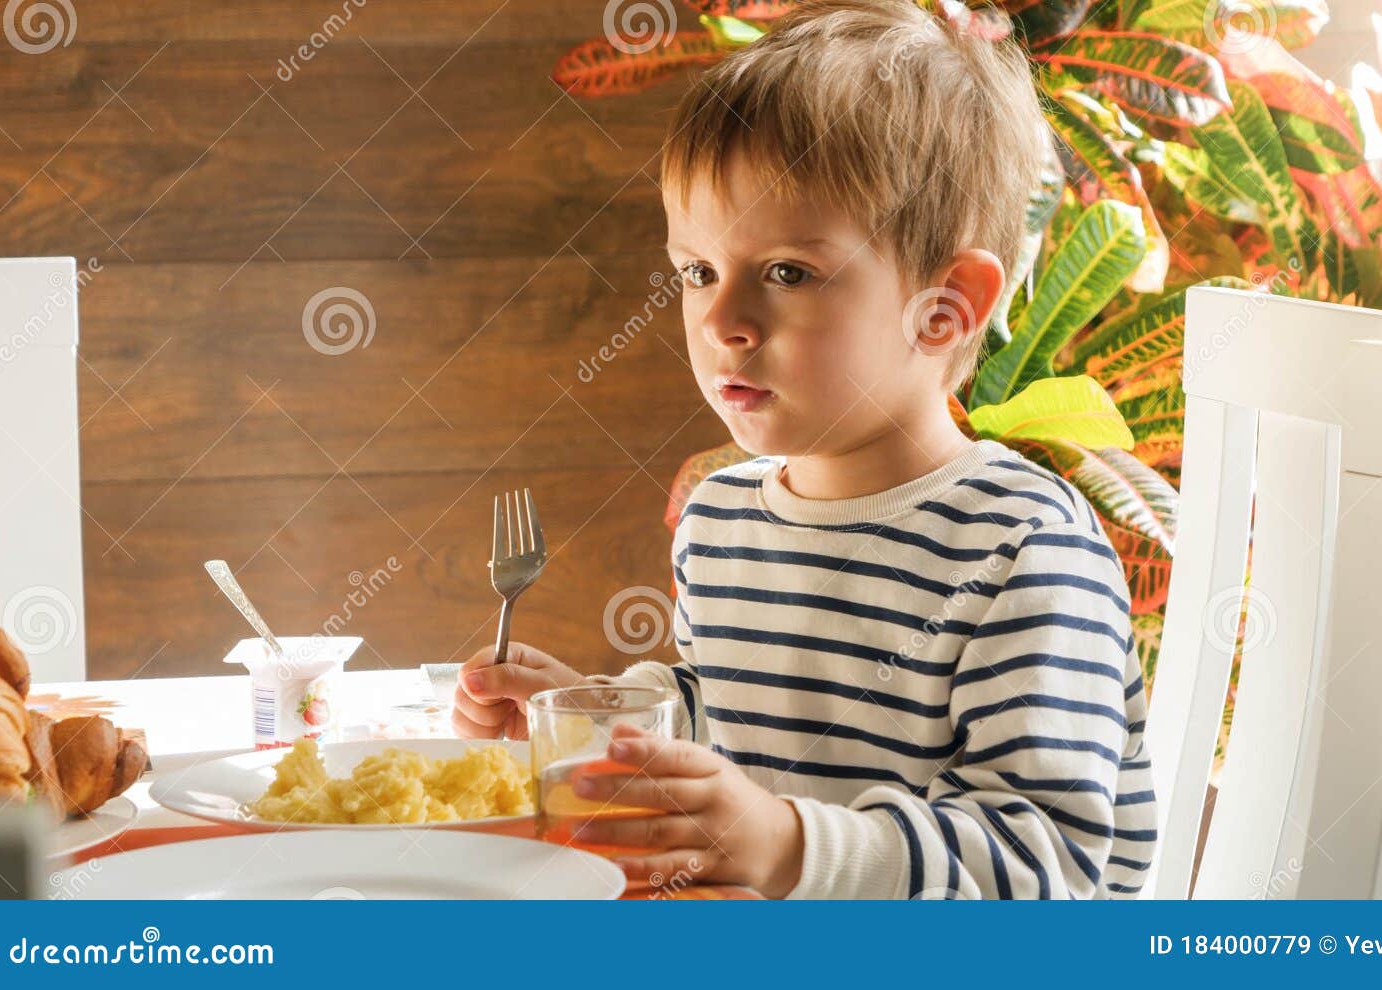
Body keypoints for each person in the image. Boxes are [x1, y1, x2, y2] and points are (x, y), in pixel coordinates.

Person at [454, 0, 1157, 899]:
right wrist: (602, 718)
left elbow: (1047, 867)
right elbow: (741, 722)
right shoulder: (721, 519)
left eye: (787, 272)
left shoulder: (1020, 546)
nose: (721, 322)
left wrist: (789, 848)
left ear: (948, 305)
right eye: (698, 271)